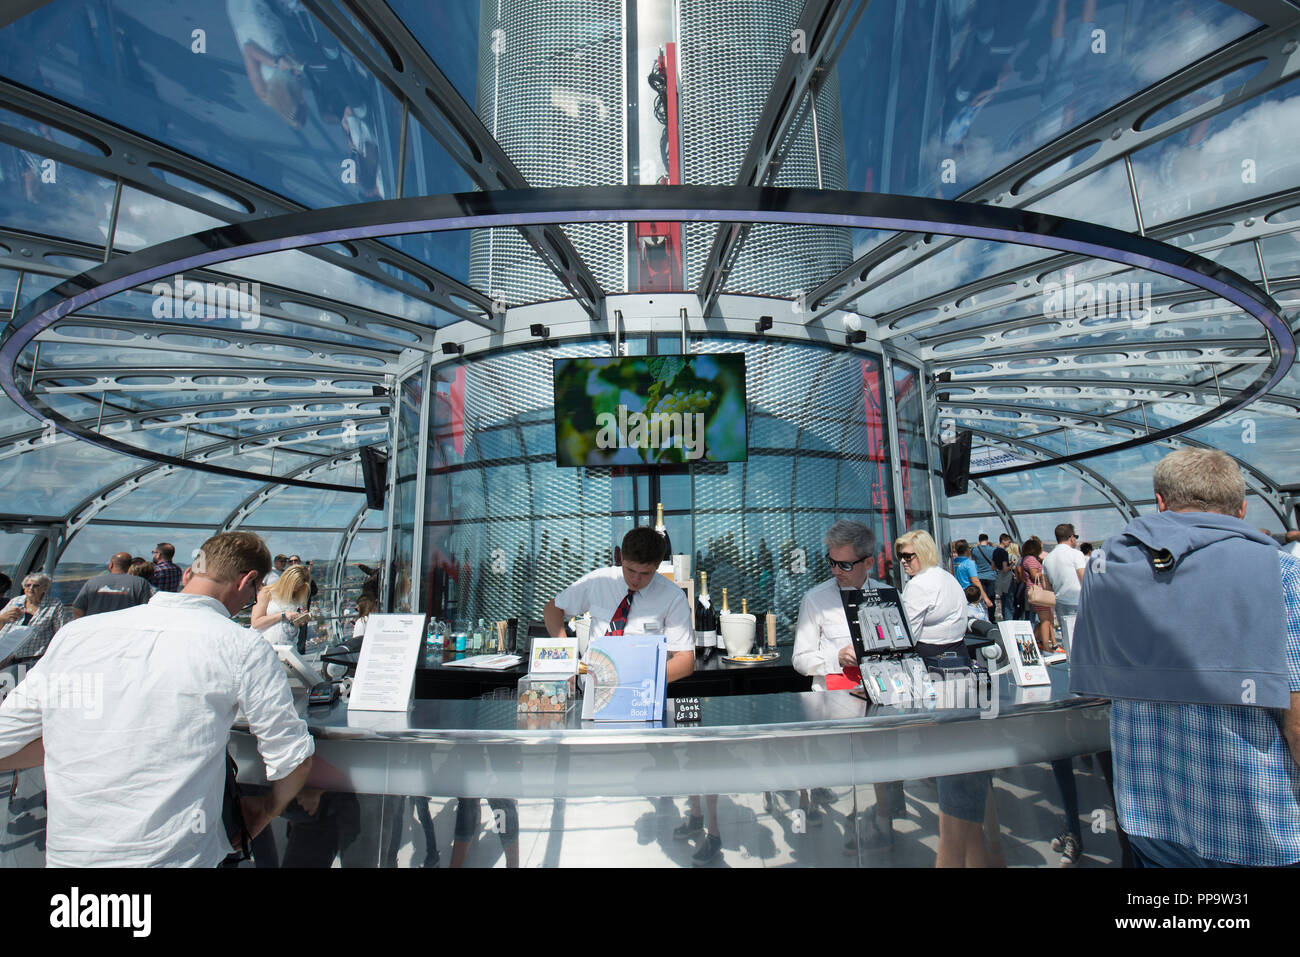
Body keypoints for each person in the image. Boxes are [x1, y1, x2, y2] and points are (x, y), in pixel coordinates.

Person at [0, 531, 315, 866]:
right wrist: (264, 812)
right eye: (253, 594)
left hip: (73, 861)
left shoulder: (76, 636)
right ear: (247, 580)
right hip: (176, 857)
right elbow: (293, 761)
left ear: (188, 574)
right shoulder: (241, 647)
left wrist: (73, 739)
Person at [1071, 448, 1300, 867]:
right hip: (1259, 826)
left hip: (1152, 819)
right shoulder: (1280, 575)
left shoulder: (1107, 575)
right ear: (1243, 509)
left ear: (1160, 502)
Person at [792, 520, 895, 851]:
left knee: (877, 768)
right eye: (831, 562)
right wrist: (836, 657)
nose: (836, 570)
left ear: (868, 562)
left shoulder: (887, 597)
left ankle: (881, 824)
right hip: (832, 708)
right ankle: (844, 828)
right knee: (842, 776)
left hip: (876, 702)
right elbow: (800, 659)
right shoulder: (815, 599)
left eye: (845, 564)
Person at [895, 529, 991, 868]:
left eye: (909, 555)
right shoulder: (948, 578)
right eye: (901, 556)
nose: (904, 562)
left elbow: (903, 633)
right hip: (961, 662)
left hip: (935, 666)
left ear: (923, 552)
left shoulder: (920, 585)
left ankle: (950, 860)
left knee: (952, 769)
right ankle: (980, 856)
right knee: (965, 765)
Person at [542, 526, 695, 684]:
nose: (636, 579)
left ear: (657, 566)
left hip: (641, 690)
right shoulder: (599, 581)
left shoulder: (673, 596)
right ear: (621, 557)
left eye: (645, 573)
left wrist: (640, 679)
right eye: (630, 570)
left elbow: (685, 660)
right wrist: (566, 656)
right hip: (591, 685)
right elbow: (553, 609)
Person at [0, 573, 69, 663]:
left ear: (45, 588)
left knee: (25, 676)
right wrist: (2, 618)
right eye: (27, 585)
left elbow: (60, 632)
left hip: (35, 657)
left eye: (36, 585)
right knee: (13, 676)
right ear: (23, 588)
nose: (31, 588)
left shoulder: (54, 605)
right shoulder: (15, 602)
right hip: (8, 656)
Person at [1042, 523, 1087, 653]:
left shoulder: (1047, 559)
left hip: (1061, 603)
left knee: (1069, 641)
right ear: (1071, 537)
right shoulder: (1076, 554)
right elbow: (1084, 579)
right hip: (1079, 601)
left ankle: (1071, 668)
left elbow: (1046, 587)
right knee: (1086, 641)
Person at [69, 551, 153, 619]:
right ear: (130, 566)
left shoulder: (93, 582)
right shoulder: (140, 583)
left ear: (111, 564)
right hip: (125, 631)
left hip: (95, 631)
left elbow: (78, 609)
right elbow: (145, 609)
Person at [250, 563, 312, 647]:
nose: (296, 589)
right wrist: (283, 615)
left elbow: (291, 622)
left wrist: (300, 620)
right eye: (295, 586)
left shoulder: (298, 597)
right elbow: (256, 623)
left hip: (288, 646)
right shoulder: (267, 593)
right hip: (265, 646)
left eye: (300, 587)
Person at [1018, 539, 1060, 653]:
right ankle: (1045, 645)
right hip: (1039, 593)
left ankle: (1031, 642)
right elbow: (1034, 575)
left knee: (1046, 619)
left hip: (1035, 592)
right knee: (1045, 620)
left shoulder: (1025, 559)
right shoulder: (1031, 560)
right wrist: (1047, 572)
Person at [951, 540, 992, 613]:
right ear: (967, 550)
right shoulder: (969, 563)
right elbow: (975, 580)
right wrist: (985, 597)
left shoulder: (953, 562)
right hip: (970, 594)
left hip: (958, 592)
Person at [972, 534, 998, 616]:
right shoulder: (993, 549)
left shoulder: (974, 550)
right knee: (991, 598)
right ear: (987, 540)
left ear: (979, 540)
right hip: (991, 576)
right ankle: (991, 617)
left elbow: (973, 560)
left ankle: (983, 615)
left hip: (979, 576)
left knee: (982, 598)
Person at [993, 533, 1016, 622]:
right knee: (1008, 602)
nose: (1009, 544)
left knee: (1002, 601)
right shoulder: (1004, 552)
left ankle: (1004, 621)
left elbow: (993, 567)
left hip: (999, 578)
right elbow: (1005, 569)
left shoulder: (995, 551)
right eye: (1008, 542)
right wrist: (1012, 564)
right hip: (1006, 578)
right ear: (1004, 541)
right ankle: (1009, 621)